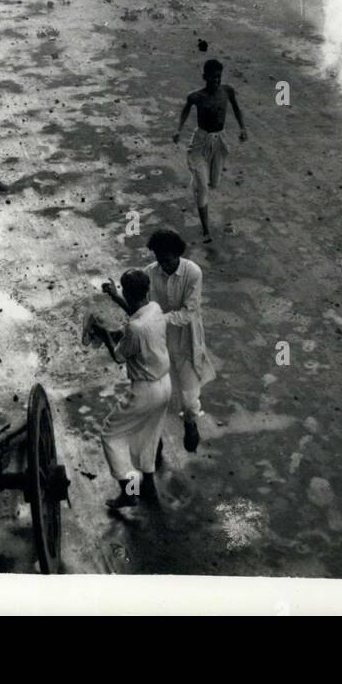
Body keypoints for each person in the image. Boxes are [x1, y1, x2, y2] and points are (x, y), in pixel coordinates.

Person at [103, 228, 215, 457]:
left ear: (177, 255)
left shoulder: (193, 273)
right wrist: (117, 297)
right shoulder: (149, 273)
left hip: (186, 339)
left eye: (167, 260)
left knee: (189, 392)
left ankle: (191, 421)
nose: (162, 265)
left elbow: (189, 313)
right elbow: (139, 310)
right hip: (159, 341)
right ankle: (157, 438)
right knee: (161, 391)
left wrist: (152, 321)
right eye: (158, 260)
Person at [89, 269, 170, 510]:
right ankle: (147, 484)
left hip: (144, 390)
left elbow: (119, 357)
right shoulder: (155, 309)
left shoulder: (134, 328)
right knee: (148, 435)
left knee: (111, 435)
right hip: (165, 385)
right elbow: (136, 317)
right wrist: (115, 297)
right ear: (147, 290)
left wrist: (104, 335)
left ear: (127, 290)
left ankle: (127, 490)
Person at [173, 58, 247, 243]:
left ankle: (198, 181)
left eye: (219, 77)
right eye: (213, 77)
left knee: (213, 183)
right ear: (204, 77)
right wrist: (178, 130)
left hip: (219, 141)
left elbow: (237, 109)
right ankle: (206, 230)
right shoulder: (196, 96)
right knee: (203, 188)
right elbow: (185, 110)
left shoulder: (227, 91)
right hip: (200, 141)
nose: (216, 80)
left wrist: (242, 128)